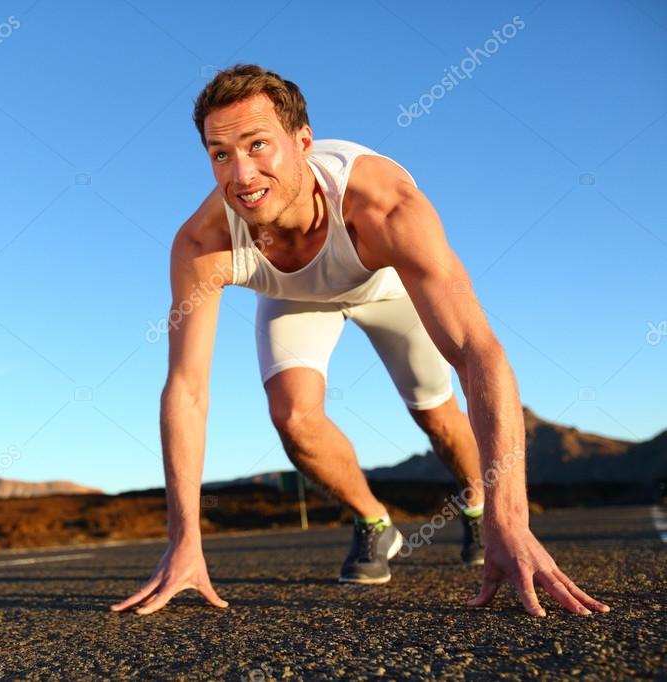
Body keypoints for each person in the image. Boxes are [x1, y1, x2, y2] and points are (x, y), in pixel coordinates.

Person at [111, 64, 609, 617]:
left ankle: (476, 500)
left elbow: (477, 352)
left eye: (257, 146)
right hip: (294, 295)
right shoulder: (203, 242)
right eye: (220, 154)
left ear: (303, 142)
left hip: (384, 283)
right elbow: (186, 391)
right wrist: (184, 540)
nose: (241, 174)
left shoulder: (384, 207)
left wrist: (510, 520)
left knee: (437, 414)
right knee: (293, 418)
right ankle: (374, 521)